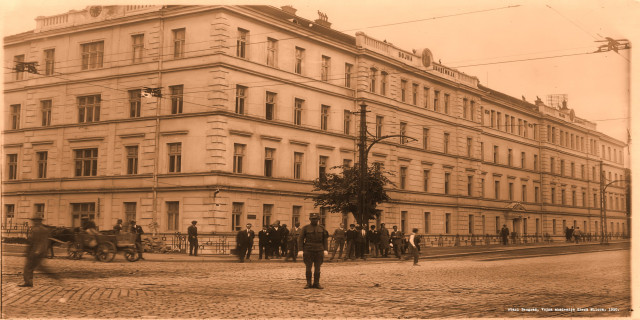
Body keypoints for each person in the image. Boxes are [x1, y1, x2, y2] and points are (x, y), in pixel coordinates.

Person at [19, 216, 61, 287]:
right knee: (39, 267)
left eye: (34, 221)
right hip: (42, 252)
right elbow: (46, 241)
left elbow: (31, 241)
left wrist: (30, 251)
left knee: (28, 267)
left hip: (34, 252)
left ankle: (28, 282)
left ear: (38, 221)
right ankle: (56, 277)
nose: (33, 222)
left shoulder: (35, 230)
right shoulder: (45, 230)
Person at [298, 213, 328, 289]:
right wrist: (300, 250)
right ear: (310, 219)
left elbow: (325, 239)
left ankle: (316, 283)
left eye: (316, 219)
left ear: (318, 219)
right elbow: (300, 239)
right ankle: (308, 283)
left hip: (319, 250)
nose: (314, 220)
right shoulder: (305, 228)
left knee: (318, 268)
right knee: (308, 267)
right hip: (308, 250)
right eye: (312, 219)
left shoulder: (322, 228)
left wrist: (325, 249)